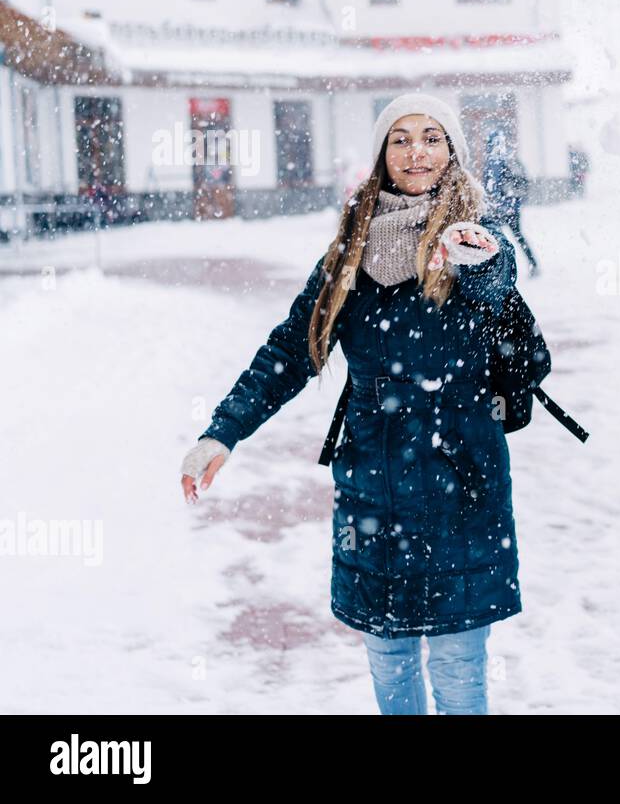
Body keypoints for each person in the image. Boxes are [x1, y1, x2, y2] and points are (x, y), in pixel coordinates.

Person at [179, 94, 522, 715]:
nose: (416, 150)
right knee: (389, 659)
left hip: (462, 481)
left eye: (432, 137)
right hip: (375, 485)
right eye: (400, 138)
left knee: (458, 665)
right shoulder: (350, 252)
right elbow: (291, 348)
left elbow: (505, 295)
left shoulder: (480, 237)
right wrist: (222, 432)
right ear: (382, 156)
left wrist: (479, 263)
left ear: (452, 152)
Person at [482, 129, 540, 277]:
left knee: (494, 239)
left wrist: (492, 203)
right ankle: (533, 264)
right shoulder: (509, 158)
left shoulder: (493, 161)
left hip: (499, 208)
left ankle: (498, 271)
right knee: (518, 237)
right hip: (513, 207)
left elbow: (491, 188)